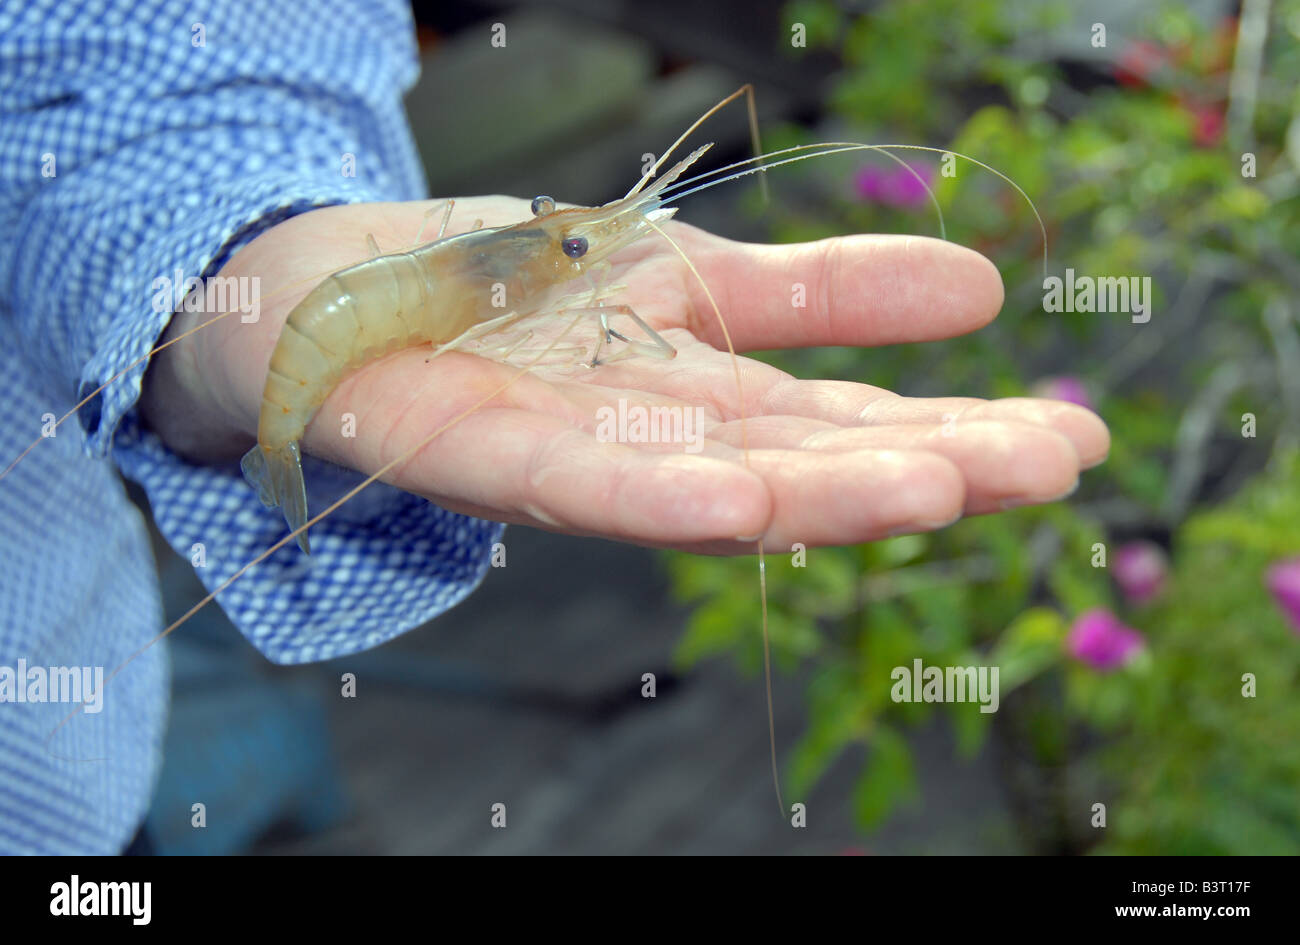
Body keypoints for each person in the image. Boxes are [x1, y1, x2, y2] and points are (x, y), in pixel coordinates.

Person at [0, 0, 1108, 854]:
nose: (580, 245)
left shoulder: (509, 262)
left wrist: (223, 272)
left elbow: (137, 84)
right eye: (568, 242)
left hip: (86, 798)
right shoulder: (488, 281)